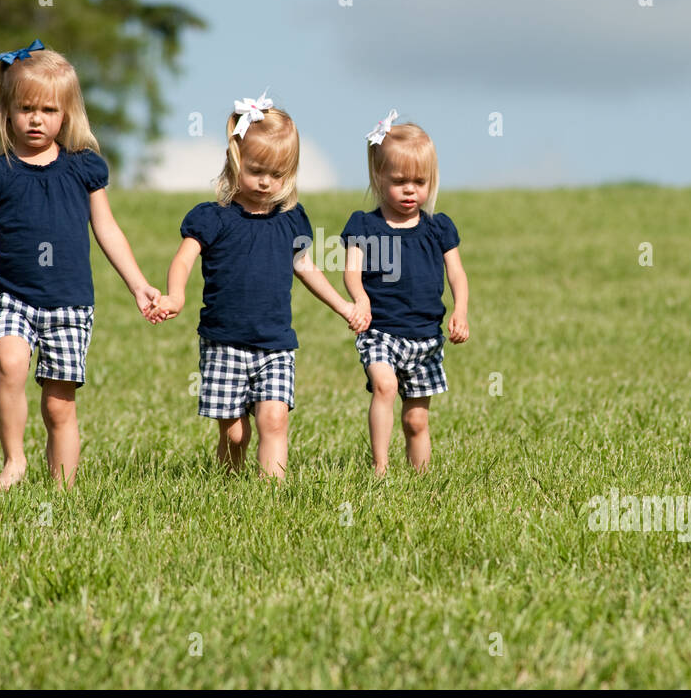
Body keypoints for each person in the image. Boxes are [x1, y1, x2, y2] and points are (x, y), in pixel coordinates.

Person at [0, 40, 159, 490]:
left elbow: (107, 230)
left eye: (48, 109)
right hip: (13, 297)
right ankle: (14, 461)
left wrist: (139, 285)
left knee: (58, 405)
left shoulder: (84, 168)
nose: (35, 118)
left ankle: (63, 491)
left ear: (66, 114)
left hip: (69, 306)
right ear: (7, 109)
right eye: (25, 107)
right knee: (9, 364)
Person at [148, 92, 368, 479]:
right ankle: (230, 483)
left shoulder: (291, 220)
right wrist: (176, 294)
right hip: (224, 342)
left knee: (274, 420)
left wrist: (345, 306)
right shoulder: (212, 218)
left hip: (276, 344)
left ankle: (272, 496)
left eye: (277, 175)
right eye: (256, 171)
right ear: (235, 163)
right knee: (235, 434)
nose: (266, 183)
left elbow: (307, 268)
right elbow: (184, 259)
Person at [341, 109, 469, 475]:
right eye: (400, 181)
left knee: (416, 421)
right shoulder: (364, 225)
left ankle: (420, 478)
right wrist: (360, 298)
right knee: (384, 385)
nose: (411, 189)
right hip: (380, 331)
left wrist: (460, 310)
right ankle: (380, 466)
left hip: (425, 337)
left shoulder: (438, 228)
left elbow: (457, 274)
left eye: (420, 181)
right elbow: (352, 272)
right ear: (379, 178)